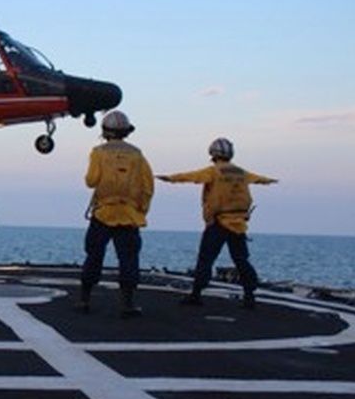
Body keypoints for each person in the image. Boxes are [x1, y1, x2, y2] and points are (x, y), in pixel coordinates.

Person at [157, 138, 278, 308]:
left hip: (218, 222)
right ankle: (249, 295)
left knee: (206, 259)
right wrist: (269, 180)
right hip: (238, 223)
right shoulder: (241, 172)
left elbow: (191, 176)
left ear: (213, 154)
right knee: (241, 260)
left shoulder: (214, 171)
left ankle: (196, 294)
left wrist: (170, 178)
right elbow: (258, 179)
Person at [76, 110, 154, 317]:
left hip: (103, 213)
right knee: (128, 260)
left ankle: (84, 300)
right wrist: (141, 210)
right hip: (129, 215)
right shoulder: (137, 154)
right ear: (126, 132)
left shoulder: (98, 152)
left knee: (93, 256)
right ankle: (127, 304)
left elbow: (91, 181)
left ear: (105, 130)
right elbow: (148, 186)